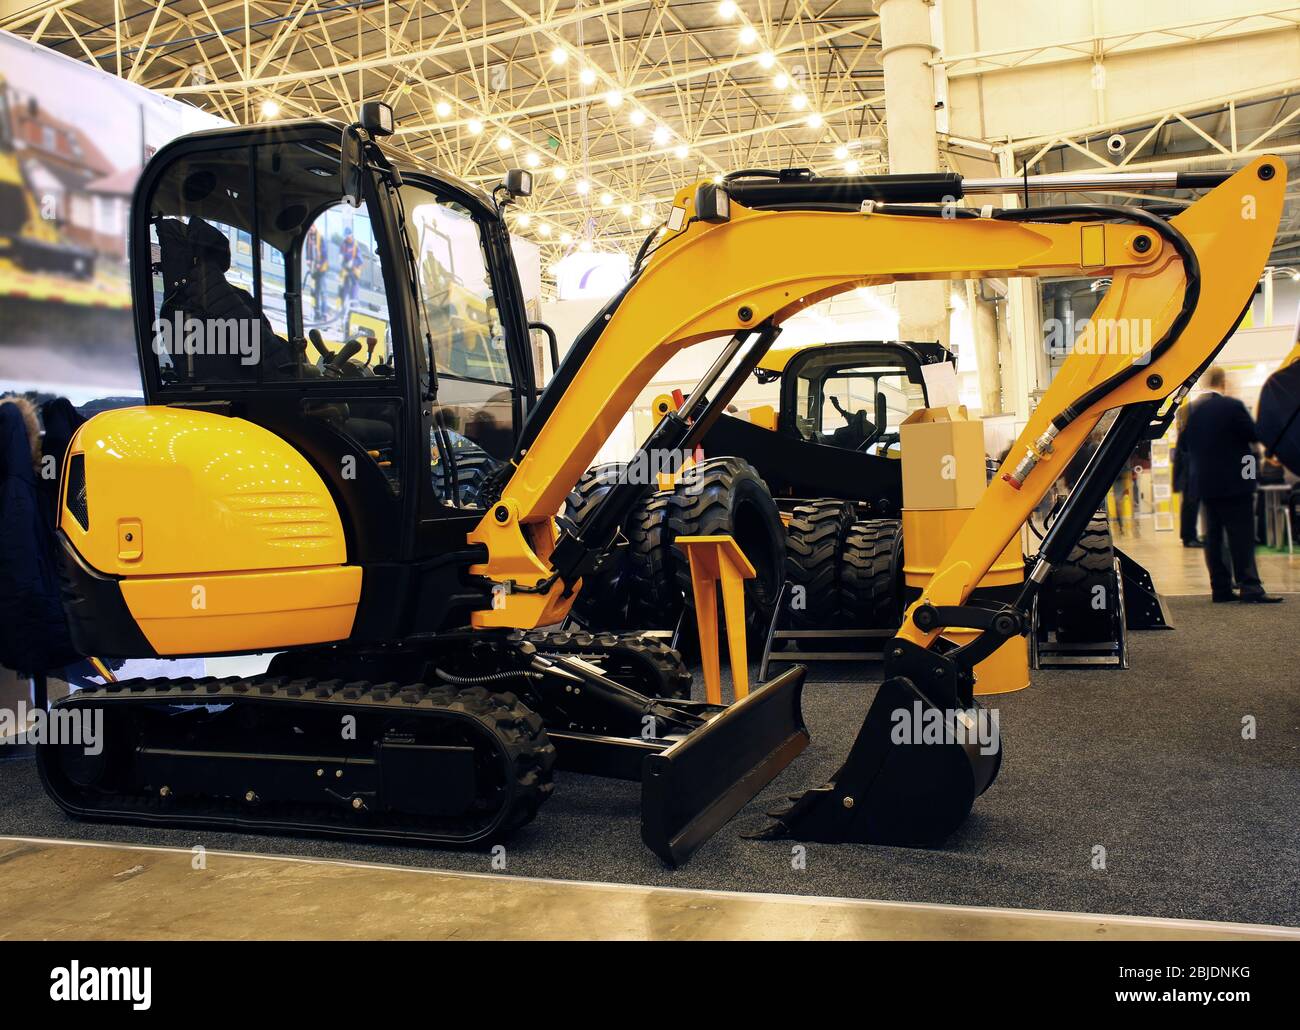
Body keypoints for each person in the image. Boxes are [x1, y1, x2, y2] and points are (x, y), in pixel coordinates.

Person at [1180, 366, 1283, 603]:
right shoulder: (1232, 406)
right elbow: (1254, 434)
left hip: (1205, 486)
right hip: (1234, 484)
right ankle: (1250, 588)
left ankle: (1221, 589)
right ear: (1224, 383)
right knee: (1241, 536)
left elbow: (1185, 446)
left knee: (1213, 538)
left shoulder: (1192, 411)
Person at [1172, 402, 1201, 547]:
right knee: (1191, 507)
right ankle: (1189, 538)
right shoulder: (1192, 432)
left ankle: (1188, 536)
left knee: (1189, 507)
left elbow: (1179, 457)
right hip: (1191, 476)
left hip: (1188, 476)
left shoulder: (1186, 431)